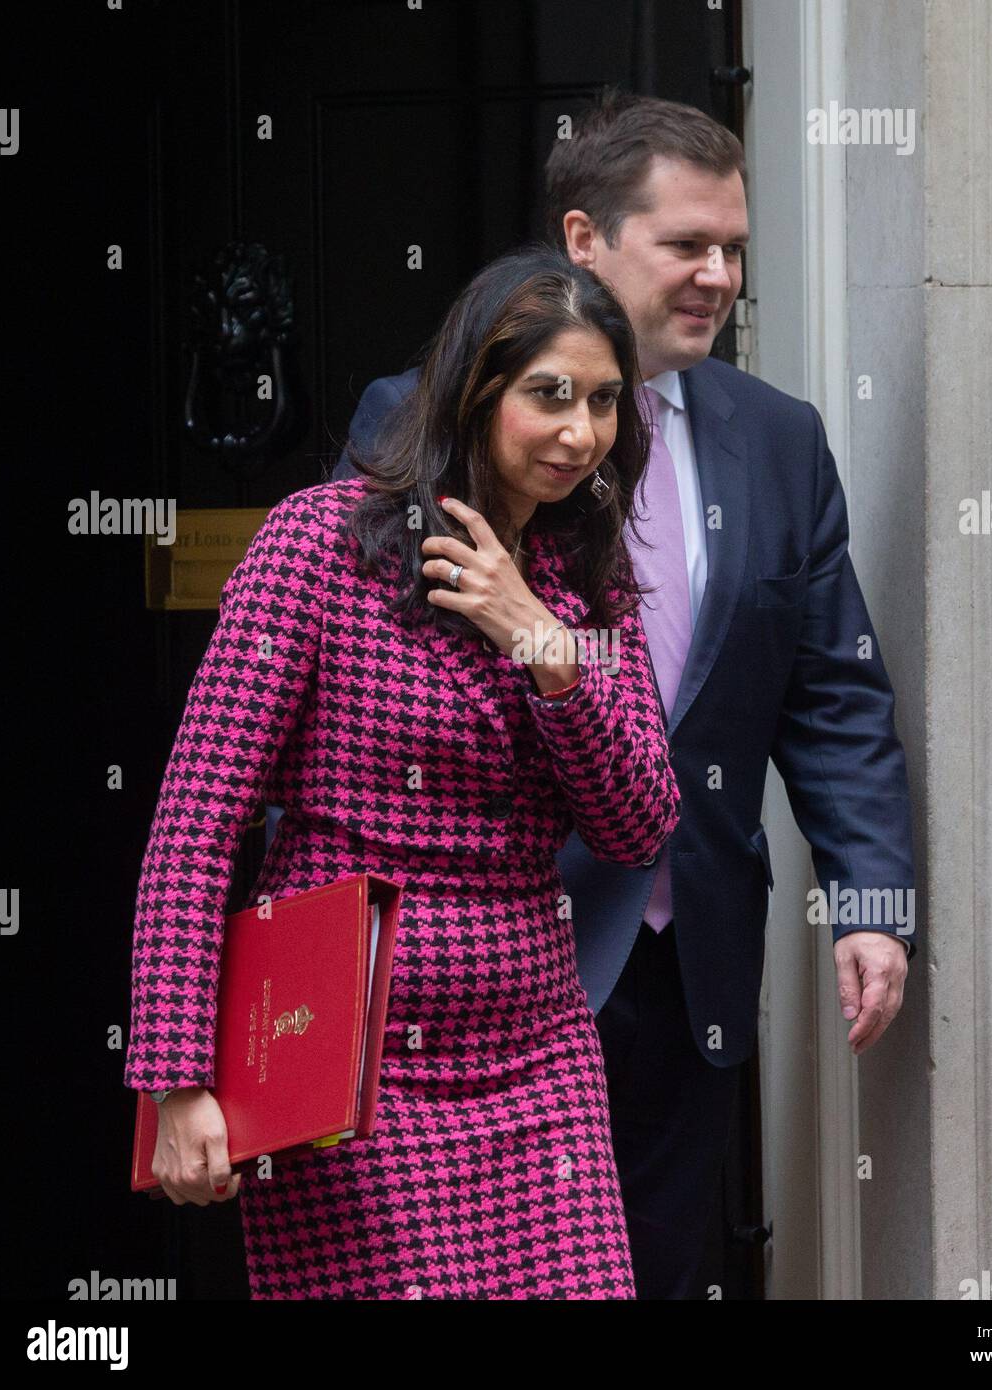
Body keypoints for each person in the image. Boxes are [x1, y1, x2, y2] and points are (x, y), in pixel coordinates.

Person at [332, 88, 917, 1300]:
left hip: (685, 951)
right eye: (687, 244)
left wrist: (868, 899)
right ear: (585, 240)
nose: (718, 274)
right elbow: (342, 708)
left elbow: (831, 693)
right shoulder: (417, 422)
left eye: (735, 250)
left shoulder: (779, 439)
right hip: (473, 962)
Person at [122, 245, 682, 1300]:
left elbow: (637, 823)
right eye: (549, 395)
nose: (580, 432)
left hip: (537, 1053)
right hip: (347, 1055)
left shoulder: (584, 581)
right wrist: (176, 1079)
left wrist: (543, 650)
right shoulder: (319, 547)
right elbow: (197, 821)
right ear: (476, 392)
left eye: (604, 402)